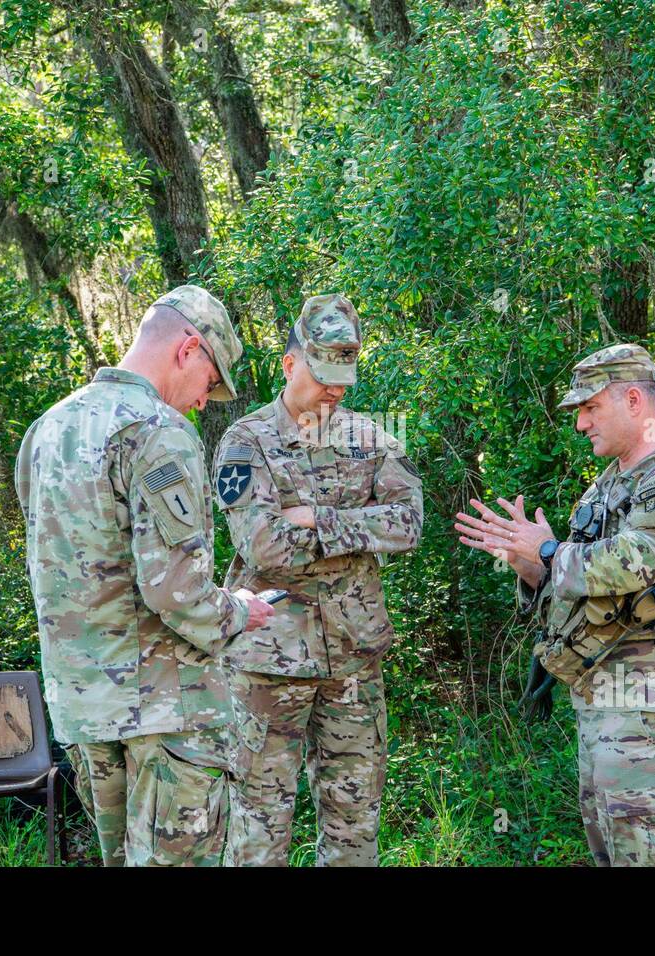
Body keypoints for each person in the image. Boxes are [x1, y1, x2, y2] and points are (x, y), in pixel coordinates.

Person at [15, 284, 274, 866]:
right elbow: (176, 589)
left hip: (85, 709)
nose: (204, 402)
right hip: (167, 713)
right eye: (210, 383)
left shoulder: (47, 430)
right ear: (188, 350)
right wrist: (240, 610)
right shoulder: (158, 432)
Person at [454, 343, 655, 866]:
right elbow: (584, 582)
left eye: (590, 407)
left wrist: (552, 551)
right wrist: (531, 565)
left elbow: (636, 562)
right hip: (607, 694)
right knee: (612, 848)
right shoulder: (610, 485)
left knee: (650, 853)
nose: (581, 423)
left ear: (633, 400)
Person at [212, 293, 424, 866]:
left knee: (354, 823)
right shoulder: (245, 442)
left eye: (344, 376)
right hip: (268, 661)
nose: (335, 389)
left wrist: (321, 521)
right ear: (289, 363)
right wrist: (360, 532)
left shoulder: (373, 438)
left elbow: (408, 525)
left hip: (353, 656)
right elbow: (260, 543)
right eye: (322, 375)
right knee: (259, 824)